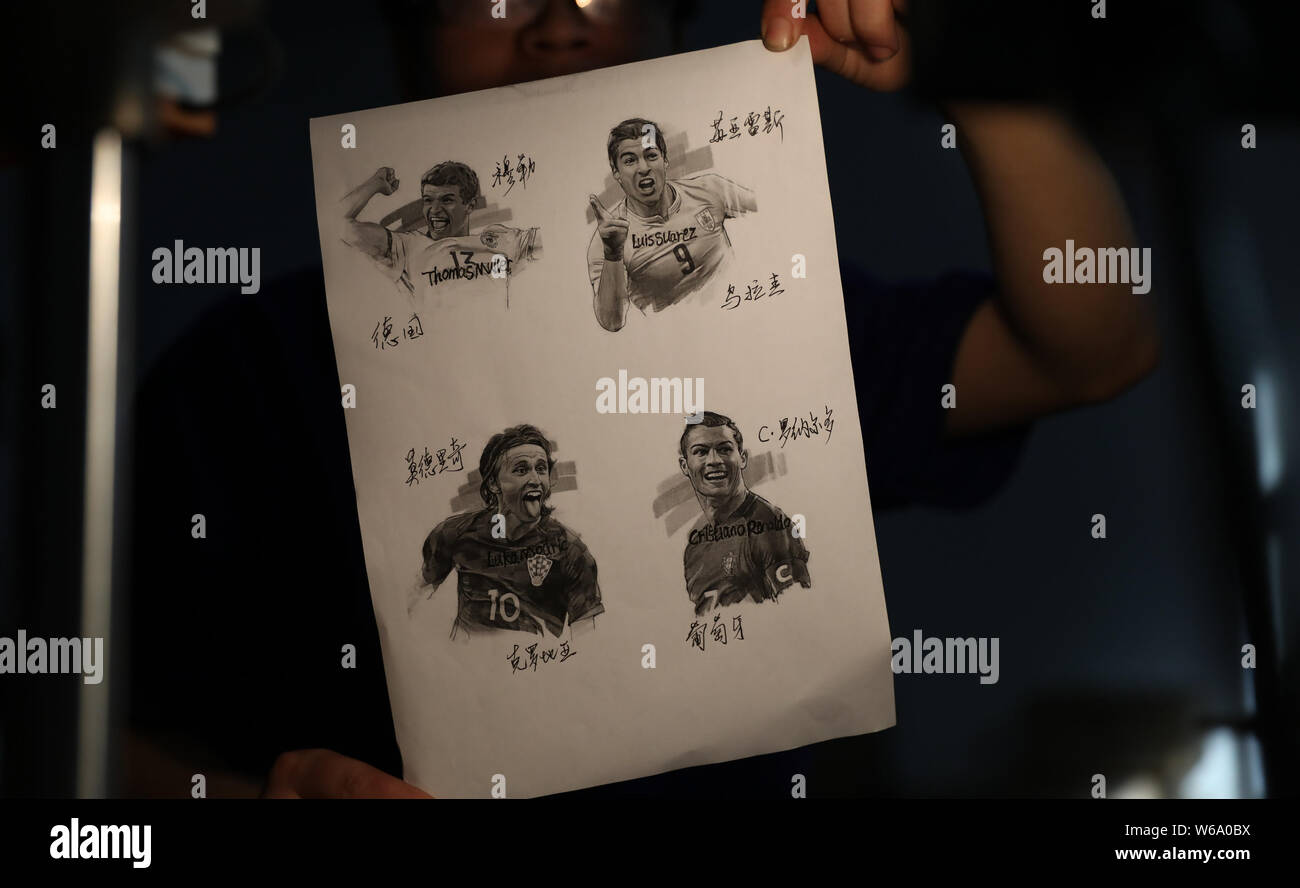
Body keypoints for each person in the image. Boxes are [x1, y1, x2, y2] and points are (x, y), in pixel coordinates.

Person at [130, 0, 1159, 798]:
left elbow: (1088, 351)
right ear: (406, 31)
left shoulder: (774, 308)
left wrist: (965, 55)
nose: (554, 27)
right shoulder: (244, 372)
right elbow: (74, 746)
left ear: (671, 28)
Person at [413, 425, 604, 639]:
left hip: (536, 664)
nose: (535, 480)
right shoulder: (453, 533)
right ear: (494, 483)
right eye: (521, 470)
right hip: (468, 662)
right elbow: (414, 603)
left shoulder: (572, 552)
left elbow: (586, 642)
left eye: (541, 469)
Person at [588, 118, 756, 329]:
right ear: (616, 172)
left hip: (736, 318)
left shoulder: (711, 190)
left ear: (665, 160)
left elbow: (771, 209)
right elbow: (612, 322)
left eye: (651, 156)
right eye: (630, 160)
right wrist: (613, 253)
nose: (643, 168)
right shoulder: (607, 239)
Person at [341, 161, 540, 304]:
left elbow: (560, 240)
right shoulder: (406, 247)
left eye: (446, 200)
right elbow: (333, 225)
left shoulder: (501, 240)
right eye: (428, 200)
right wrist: (375, 183)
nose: (434, 210)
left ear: (470, 206)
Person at [678, 412, 811, 614]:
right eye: (701, 452)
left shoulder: (770, 525)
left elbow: (798, 613)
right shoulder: (695, 547)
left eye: (724, 449)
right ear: (684, 465)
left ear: (742, 458)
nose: (714, 460)